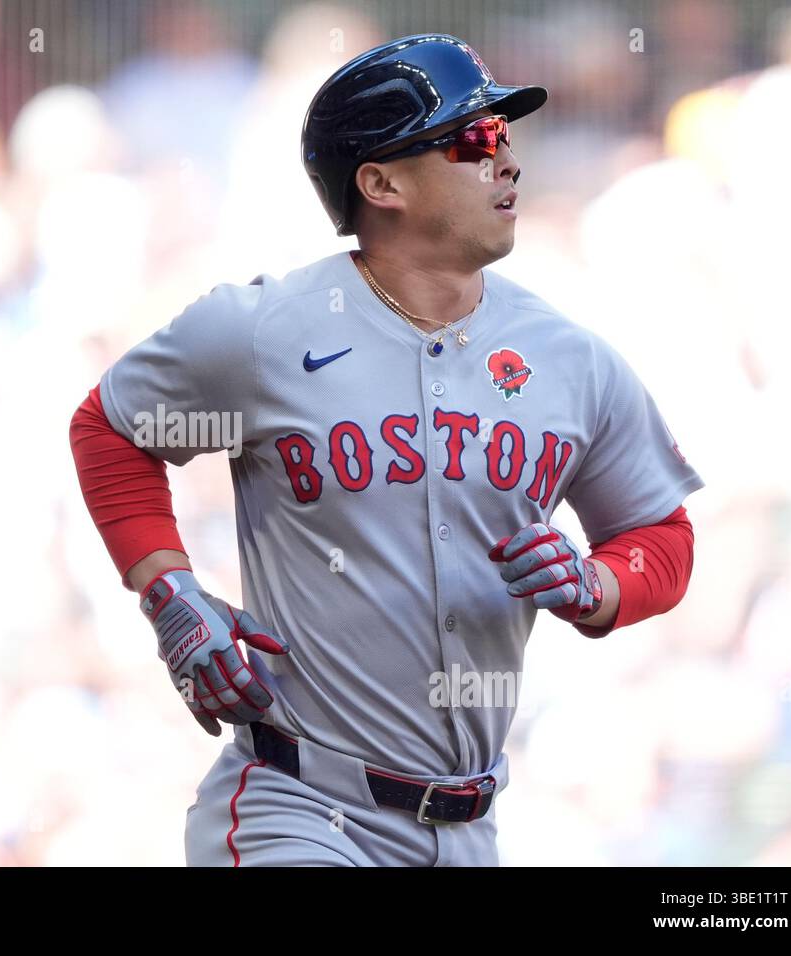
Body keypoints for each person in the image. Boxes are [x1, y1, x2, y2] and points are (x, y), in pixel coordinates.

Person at [69, 34, 703, 867]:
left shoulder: (571, 359)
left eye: (505, 137)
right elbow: (111, 426)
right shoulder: (262, 331)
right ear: (381, 182)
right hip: (297, 808)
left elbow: (662, 533)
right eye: (473, 139)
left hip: (471, 828)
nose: (506, 160)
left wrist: (599, 584)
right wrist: (167, 588)